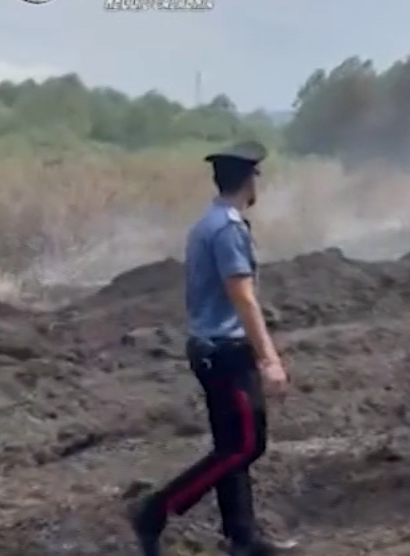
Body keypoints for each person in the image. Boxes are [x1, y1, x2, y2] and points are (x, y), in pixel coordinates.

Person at [129, 141, 295, 556]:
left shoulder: (209, 222)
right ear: (249, 179)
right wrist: (269, 358)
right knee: (244, 446)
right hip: (225, 352)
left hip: (211, 349)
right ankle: (154, 510)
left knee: (232, 445)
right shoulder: (227, 230)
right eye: (257, 176)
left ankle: (241, 538)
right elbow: (243, 296)